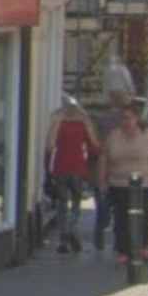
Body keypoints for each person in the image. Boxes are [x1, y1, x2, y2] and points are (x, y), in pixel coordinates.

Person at [99, 98, 148, 264]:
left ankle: (144, 247)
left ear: (136, 118)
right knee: (121, 218)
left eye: (129, 118)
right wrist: (102, 180)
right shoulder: (113, 136)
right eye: (123, 118)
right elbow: (104, 158)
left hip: (144, 184)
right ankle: (123, 250)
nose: (125, 121)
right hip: (119, 183)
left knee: (143, 216)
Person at [45, 97, 100, 253]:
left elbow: (50, 146)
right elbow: (94, 147)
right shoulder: (83, 124)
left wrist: (55, 123)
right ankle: (71, 230)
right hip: (78, 168)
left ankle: (65, 235)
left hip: (60, 168)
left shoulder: (59, 123)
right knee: (75, 204)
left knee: (62, 204)